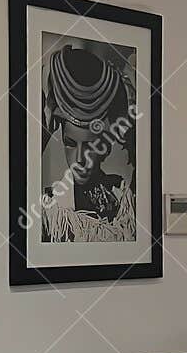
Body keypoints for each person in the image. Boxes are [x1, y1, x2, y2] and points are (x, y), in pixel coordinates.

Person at [40, 44, 136, 244]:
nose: (79, 160)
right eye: (70, 143)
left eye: (91, 146)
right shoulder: (51, 204)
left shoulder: (123, 194)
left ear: (106, 147)